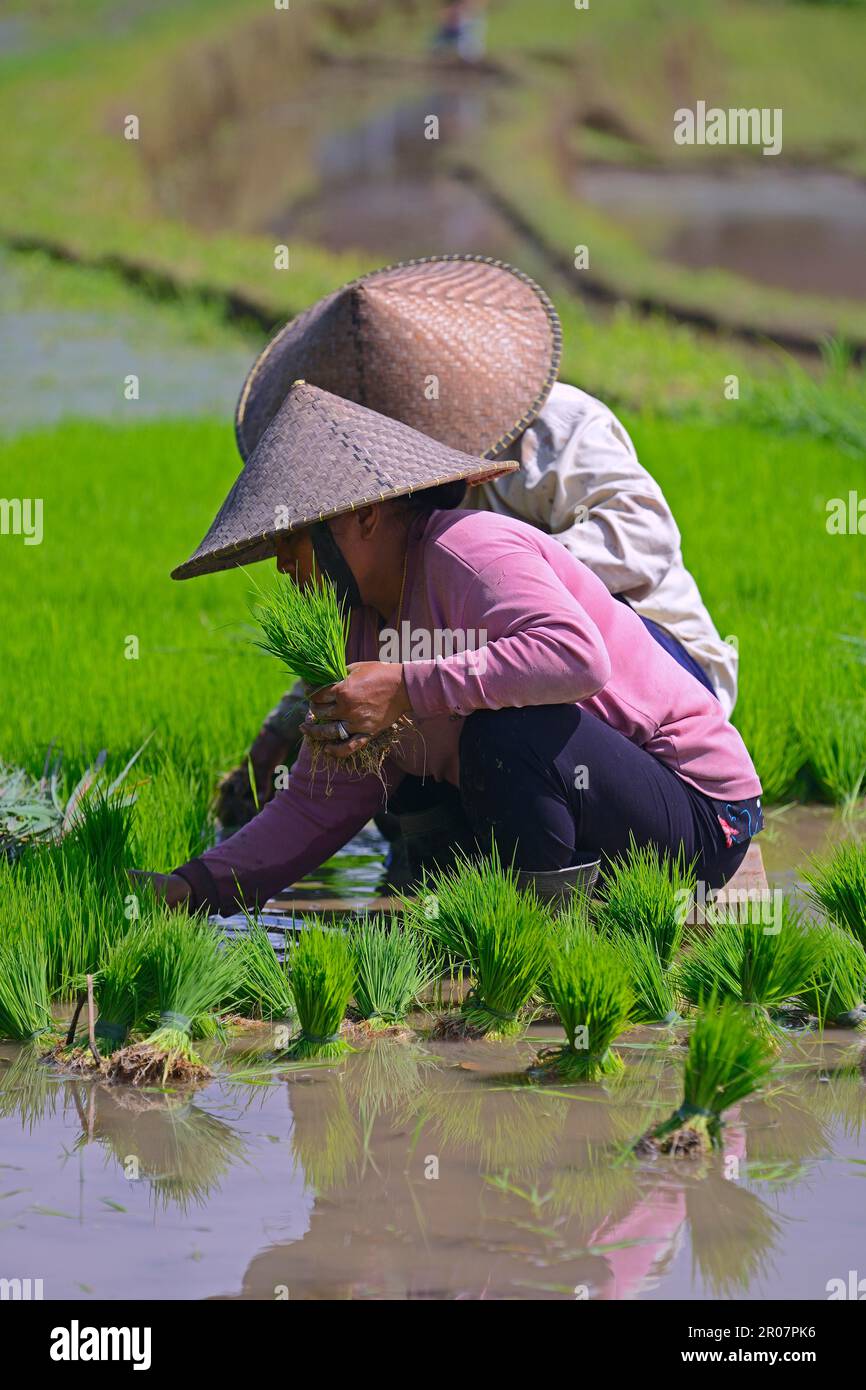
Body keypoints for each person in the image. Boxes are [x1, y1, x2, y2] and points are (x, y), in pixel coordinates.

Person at [144, 379, 762, 914]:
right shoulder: (363, 629)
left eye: (294, 539)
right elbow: (316, 801)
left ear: (365, 517)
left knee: (502, 737)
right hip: (603, 822)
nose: (281, 564)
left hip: (699, 813)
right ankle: (481, 921)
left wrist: (407, 687)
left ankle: (534, 942)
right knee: (412, 777)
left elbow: (577, 656)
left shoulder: (470, 549)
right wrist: (194, 886)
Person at [215, 257, 738, 866]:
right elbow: (381, 617)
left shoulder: (557, 427)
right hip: (494, 678)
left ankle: (562, 868)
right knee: (394, 699)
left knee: (474, 701)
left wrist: (504, 582)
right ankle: (453, 863)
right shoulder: (376, 522)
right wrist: (292, 722)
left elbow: (643, 536)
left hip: (642, 670)